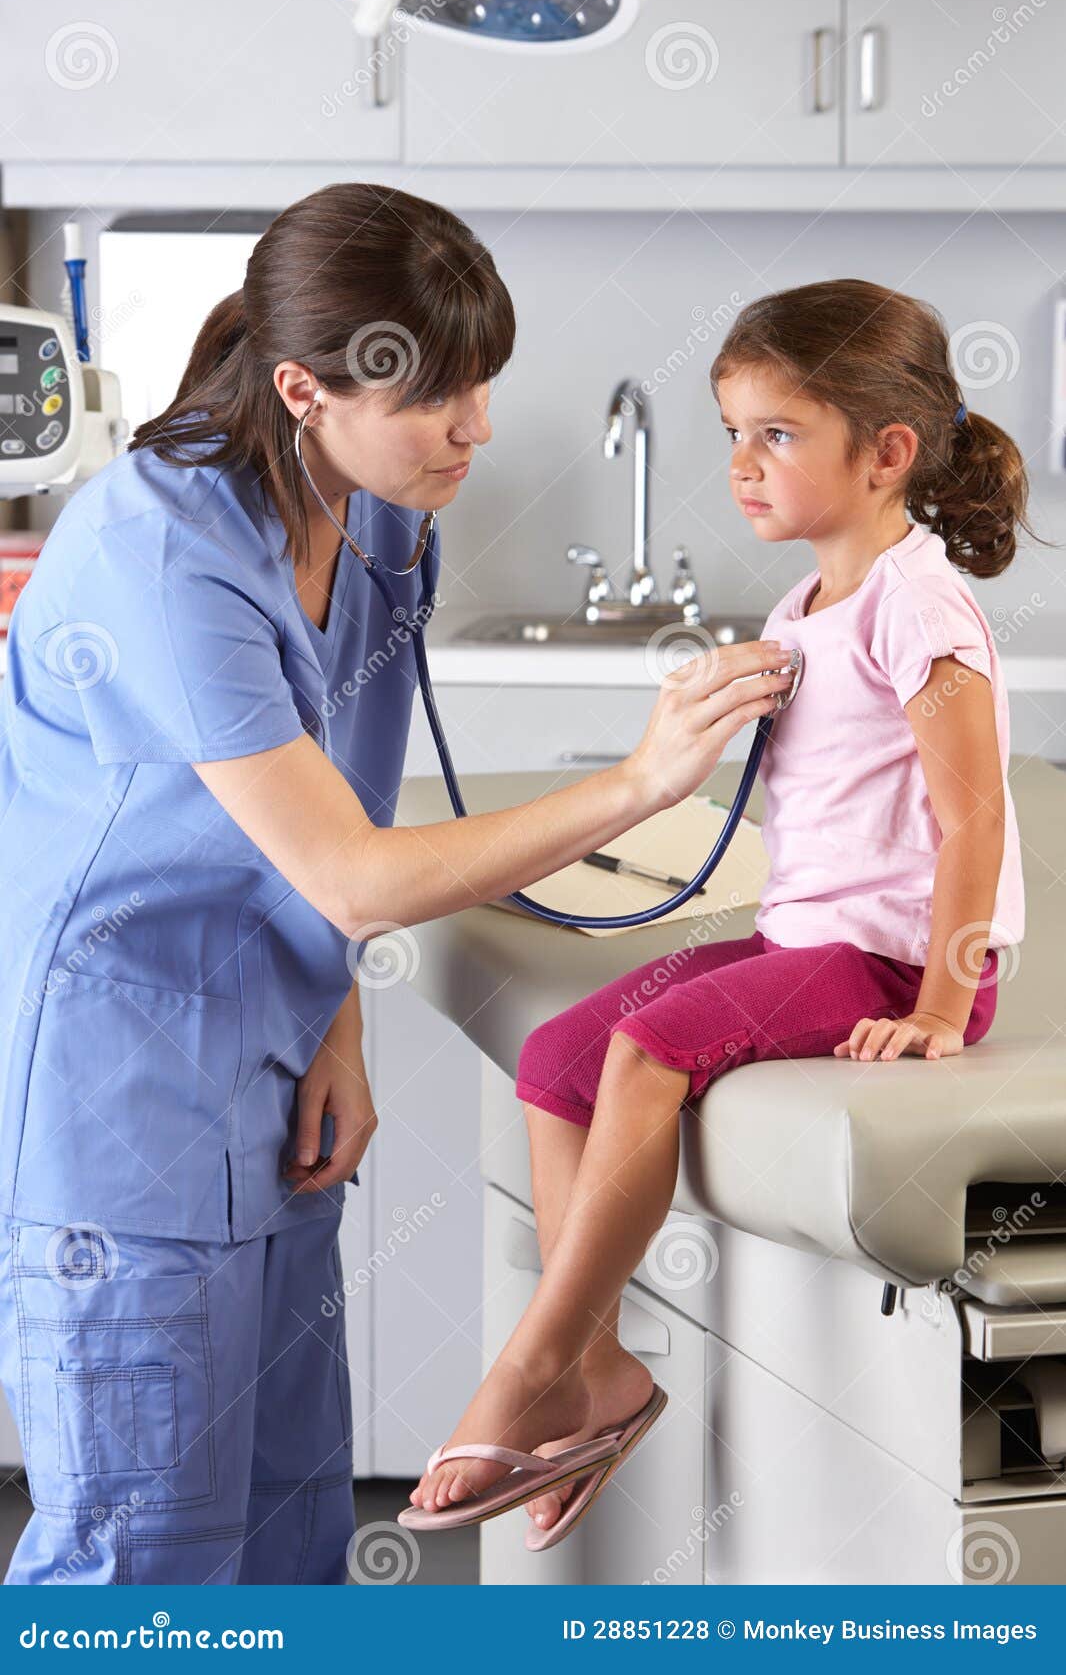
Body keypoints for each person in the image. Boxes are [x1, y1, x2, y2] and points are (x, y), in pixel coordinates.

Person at [0, 181, 791, 1584]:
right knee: (144, 1555)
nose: (476, 431)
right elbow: (354, 872)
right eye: (440, 399)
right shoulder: (156, 545)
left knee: (291, 1528)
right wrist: (639, 779)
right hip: (113, 1099)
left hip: (269, 1067)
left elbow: (337, 790)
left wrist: (335, 1027)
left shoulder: (374, 507)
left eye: (481, 386)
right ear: (303, 386)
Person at [404, 277, 1032, 1545]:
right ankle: (601, 1371)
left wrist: (943, 1008)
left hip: (888, 958)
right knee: (553, 1057)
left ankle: (533, 1364)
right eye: (734, 433)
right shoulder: (805, 606)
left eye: (778, 435)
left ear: (887, 454)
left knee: (644, 1056)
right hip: (812, 937)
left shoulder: (917, 603)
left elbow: (975, 820)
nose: (741, 466)